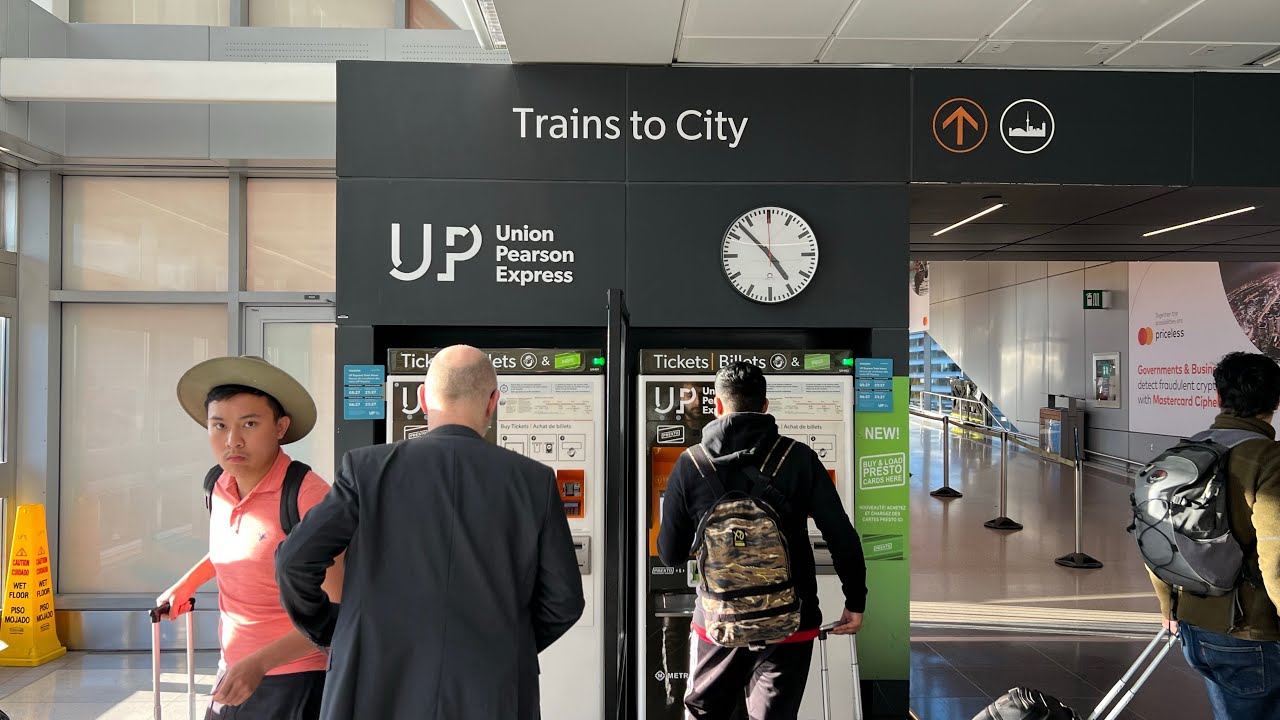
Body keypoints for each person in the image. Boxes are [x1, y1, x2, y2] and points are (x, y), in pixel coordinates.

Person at [275, 344, 585, 720]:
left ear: (422, 397)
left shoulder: (367, 470)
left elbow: (294, 562)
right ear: (492, 402)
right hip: (491, 690)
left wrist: (336, 631)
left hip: (376, 685)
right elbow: (565, 601)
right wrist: (507, 643)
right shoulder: (533, 481)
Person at [658, 361, 867, 720]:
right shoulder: (799, 458)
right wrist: (855, 600)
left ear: (719, 406)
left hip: (716, 624)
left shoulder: (689, 464)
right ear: (765, 406)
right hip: (791, 623)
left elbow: (670, 554)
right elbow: (841, 535)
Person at [158, 355, 344, 720]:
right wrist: (187, 583)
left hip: (295, 677)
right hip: (235, 667)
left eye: (250, 423)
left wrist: (259, 664)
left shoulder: (309, 498)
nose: (233, 440)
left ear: (280, 426)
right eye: (219, 425)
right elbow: (236, 548)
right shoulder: (218, 483)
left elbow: (338, 609)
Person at [1149, 351, 1280, 719]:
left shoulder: (1183, 453)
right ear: (1275, 401)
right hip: (1253, 631)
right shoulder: (1270, 459)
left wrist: (1167, 606)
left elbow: (1157, 537)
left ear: (1218, 398)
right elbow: (1276, 559)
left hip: (1194, 625)